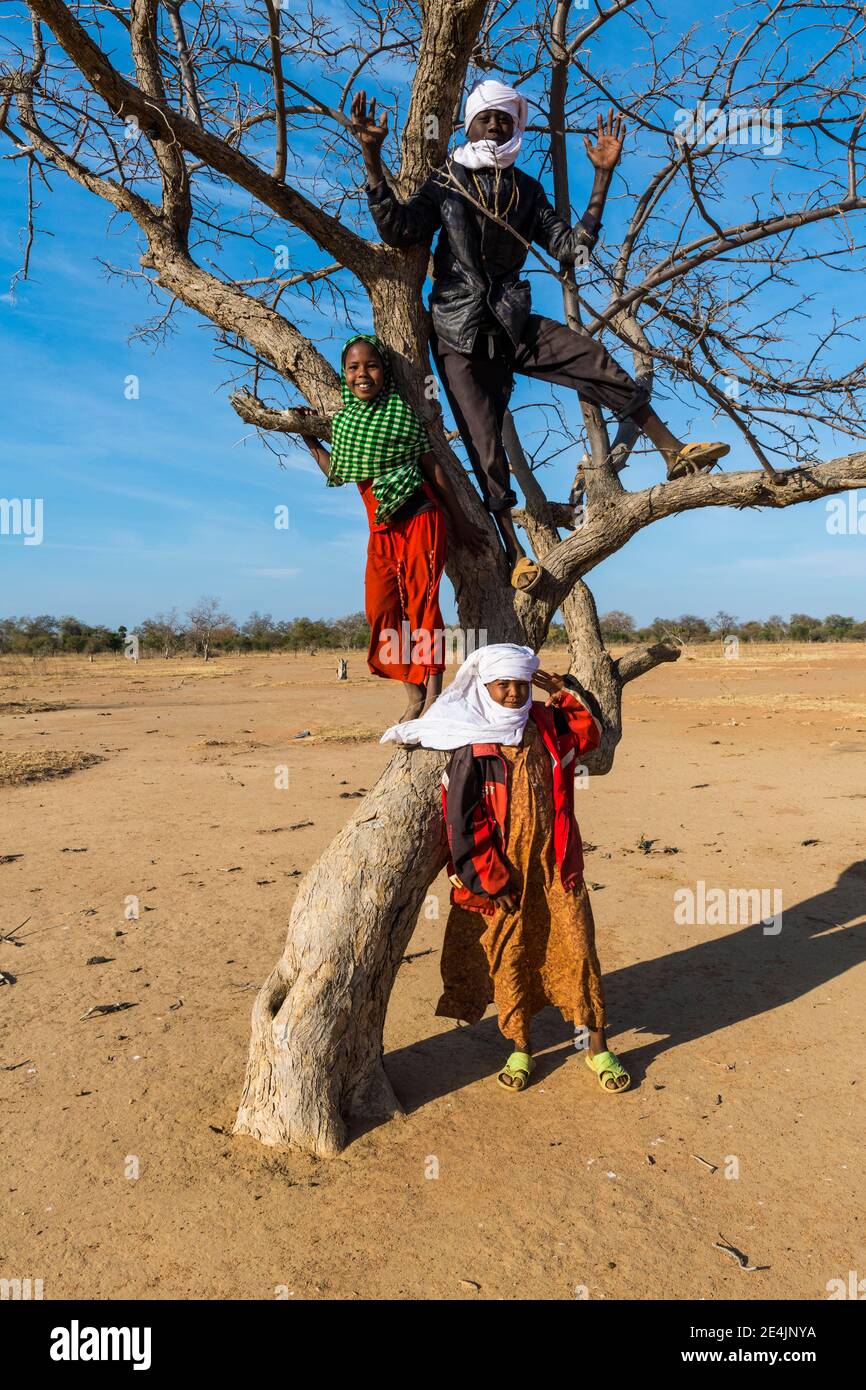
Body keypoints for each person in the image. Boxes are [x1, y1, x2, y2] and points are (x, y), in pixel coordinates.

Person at [352, 79, 730, 591]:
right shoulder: (446, 180)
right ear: (468, 123)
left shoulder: (526, 189)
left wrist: (601, 178)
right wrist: (371, 158)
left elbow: (570, 249)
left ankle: (672, 451)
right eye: (487, 117)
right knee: (486, 448)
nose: (496, 125)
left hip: (513, 321)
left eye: (506, 119)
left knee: (592, 359)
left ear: (516, 127)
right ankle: (515, 554)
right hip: (458, 331)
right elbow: (398, 229)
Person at [382, 642, 630, 1095]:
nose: (514, 693)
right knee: (510, 954)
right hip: (504, 872)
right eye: (503, 685)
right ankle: (520, 1047)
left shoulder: (545, 723)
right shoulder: (472, 742)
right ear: (485, 685)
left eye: (520, 684)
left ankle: (597, 1046)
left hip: (556, 864)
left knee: (578, 948)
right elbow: (464, 818)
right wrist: (491, 880)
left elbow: (589, 737)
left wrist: (562, 691)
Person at [301, 333, 481, 719]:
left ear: (384, 371)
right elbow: (338, 470)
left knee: (422, 604)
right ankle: (412, 692)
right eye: (353, 367)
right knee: (381, 609)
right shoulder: (346, 424)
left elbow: (432, 467)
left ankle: (432, 696)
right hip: (380, 531)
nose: (362, 374)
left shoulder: (399, 412)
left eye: (372, 365)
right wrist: (310, 440)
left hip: (419, 519)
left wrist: (461, 521)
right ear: (343, 373)